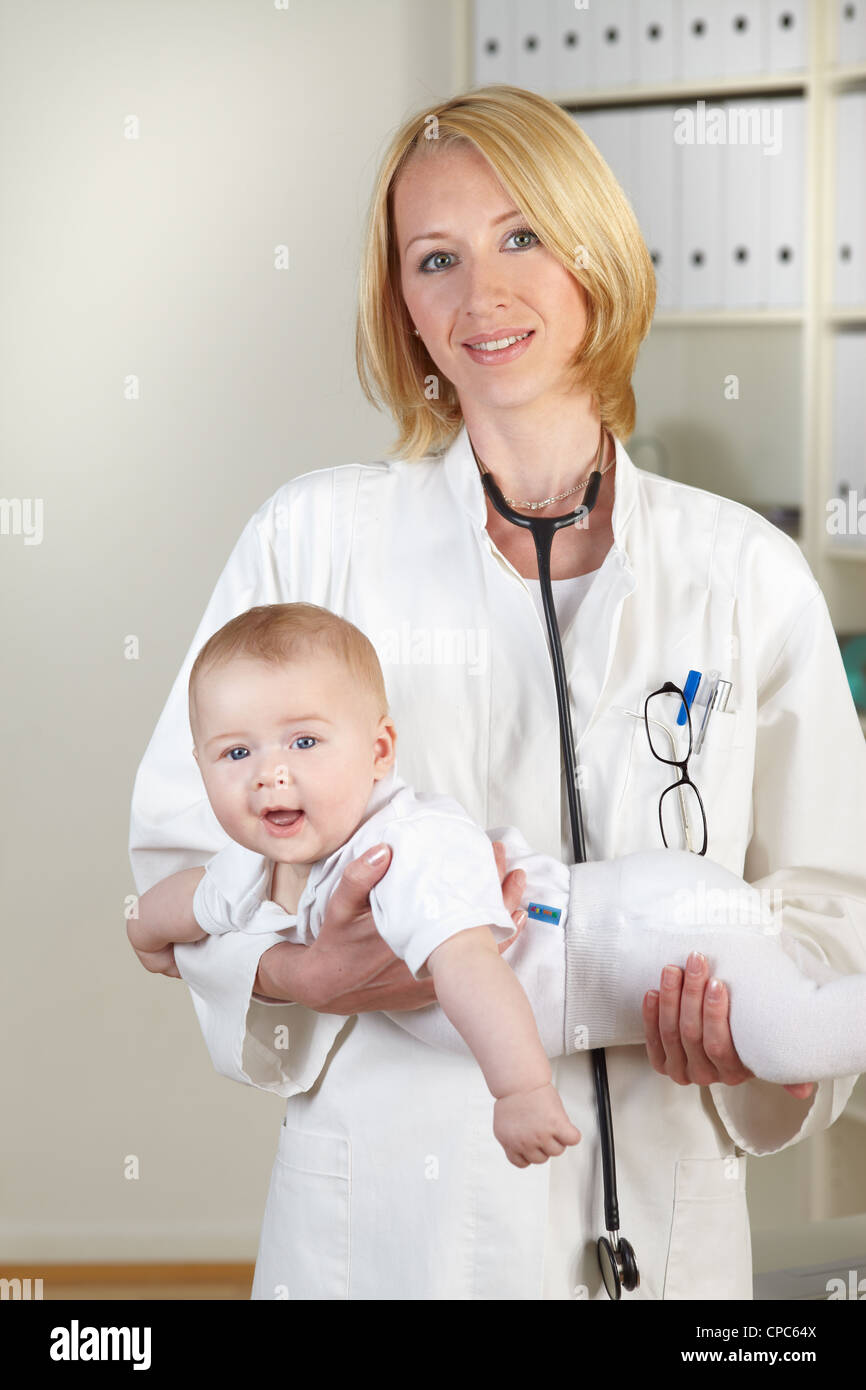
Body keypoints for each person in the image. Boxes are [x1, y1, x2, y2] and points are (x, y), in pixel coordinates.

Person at [128, 84, 866, 1300]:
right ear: (402, 308)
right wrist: (307, 973)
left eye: (520, 235)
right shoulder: (310, 539)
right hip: (384, 1225)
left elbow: (836, 906)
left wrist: (747, 1047)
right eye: (435, 259)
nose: (481, 295)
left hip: (660, 1210)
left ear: (594, 251)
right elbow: (173, 870)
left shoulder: (745, 570)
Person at [130, 597, 866, 1109]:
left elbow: (470, 967)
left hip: (649, 926)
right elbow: (194, 892)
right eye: (235, 752)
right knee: (793, 1025)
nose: (270, 772)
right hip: (634, 927)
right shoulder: (263, 865)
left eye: (304, 741)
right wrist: (149, 930)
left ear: (379, 749)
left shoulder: (403, 847)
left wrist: (521, 1091)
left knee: (793, 1037)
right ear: (201, 767)